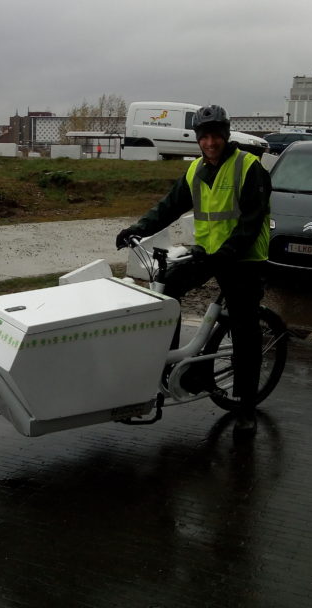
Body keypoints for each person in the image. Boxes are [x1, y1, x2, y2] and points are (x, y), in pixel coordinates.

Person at [115, 104, 271, 433]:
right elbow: (170, 205)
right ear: (198, 140)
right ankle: (169, 361)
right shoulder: (195, 170)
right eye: (205, 137)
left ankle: (245, 405)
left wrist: (228, 253)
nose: (210, 143)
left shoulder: (249, 168)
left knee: (244, 330)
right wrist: (138, 228)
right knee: (168, 287)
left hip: (243, 259)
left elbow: (251, 222)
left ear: (226, 136)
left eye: (216, 136)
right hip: (209, 252)